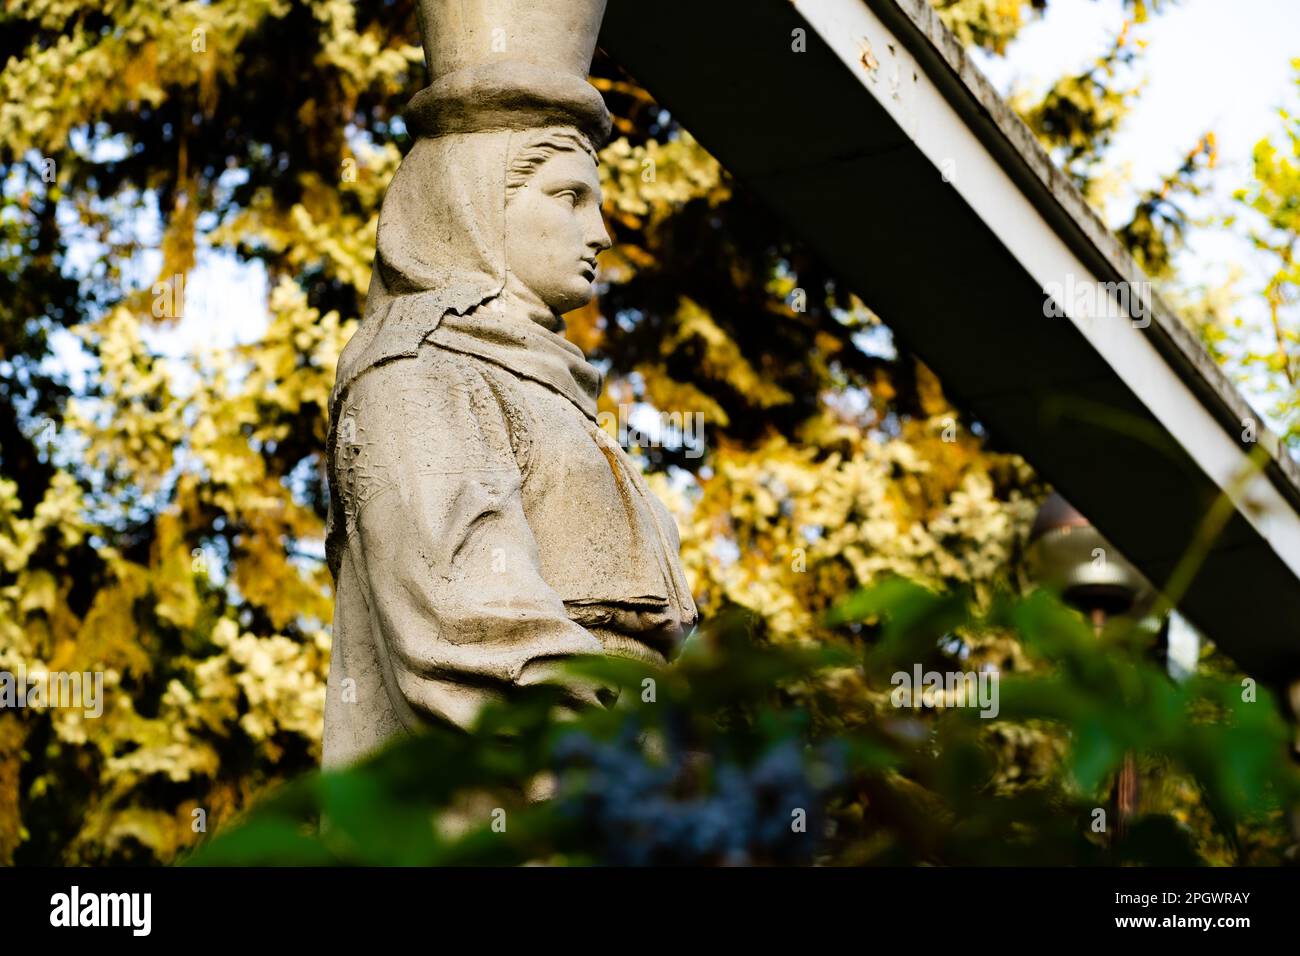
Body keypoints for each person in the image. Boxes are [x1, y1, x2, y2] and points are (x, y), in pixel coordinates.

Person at [321, 124, 697, 767]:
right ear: (472, 210)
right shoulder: (417, 372)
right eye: (570, 196)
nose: (600, 231)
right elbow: (466, 625)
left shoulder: (552, 391)